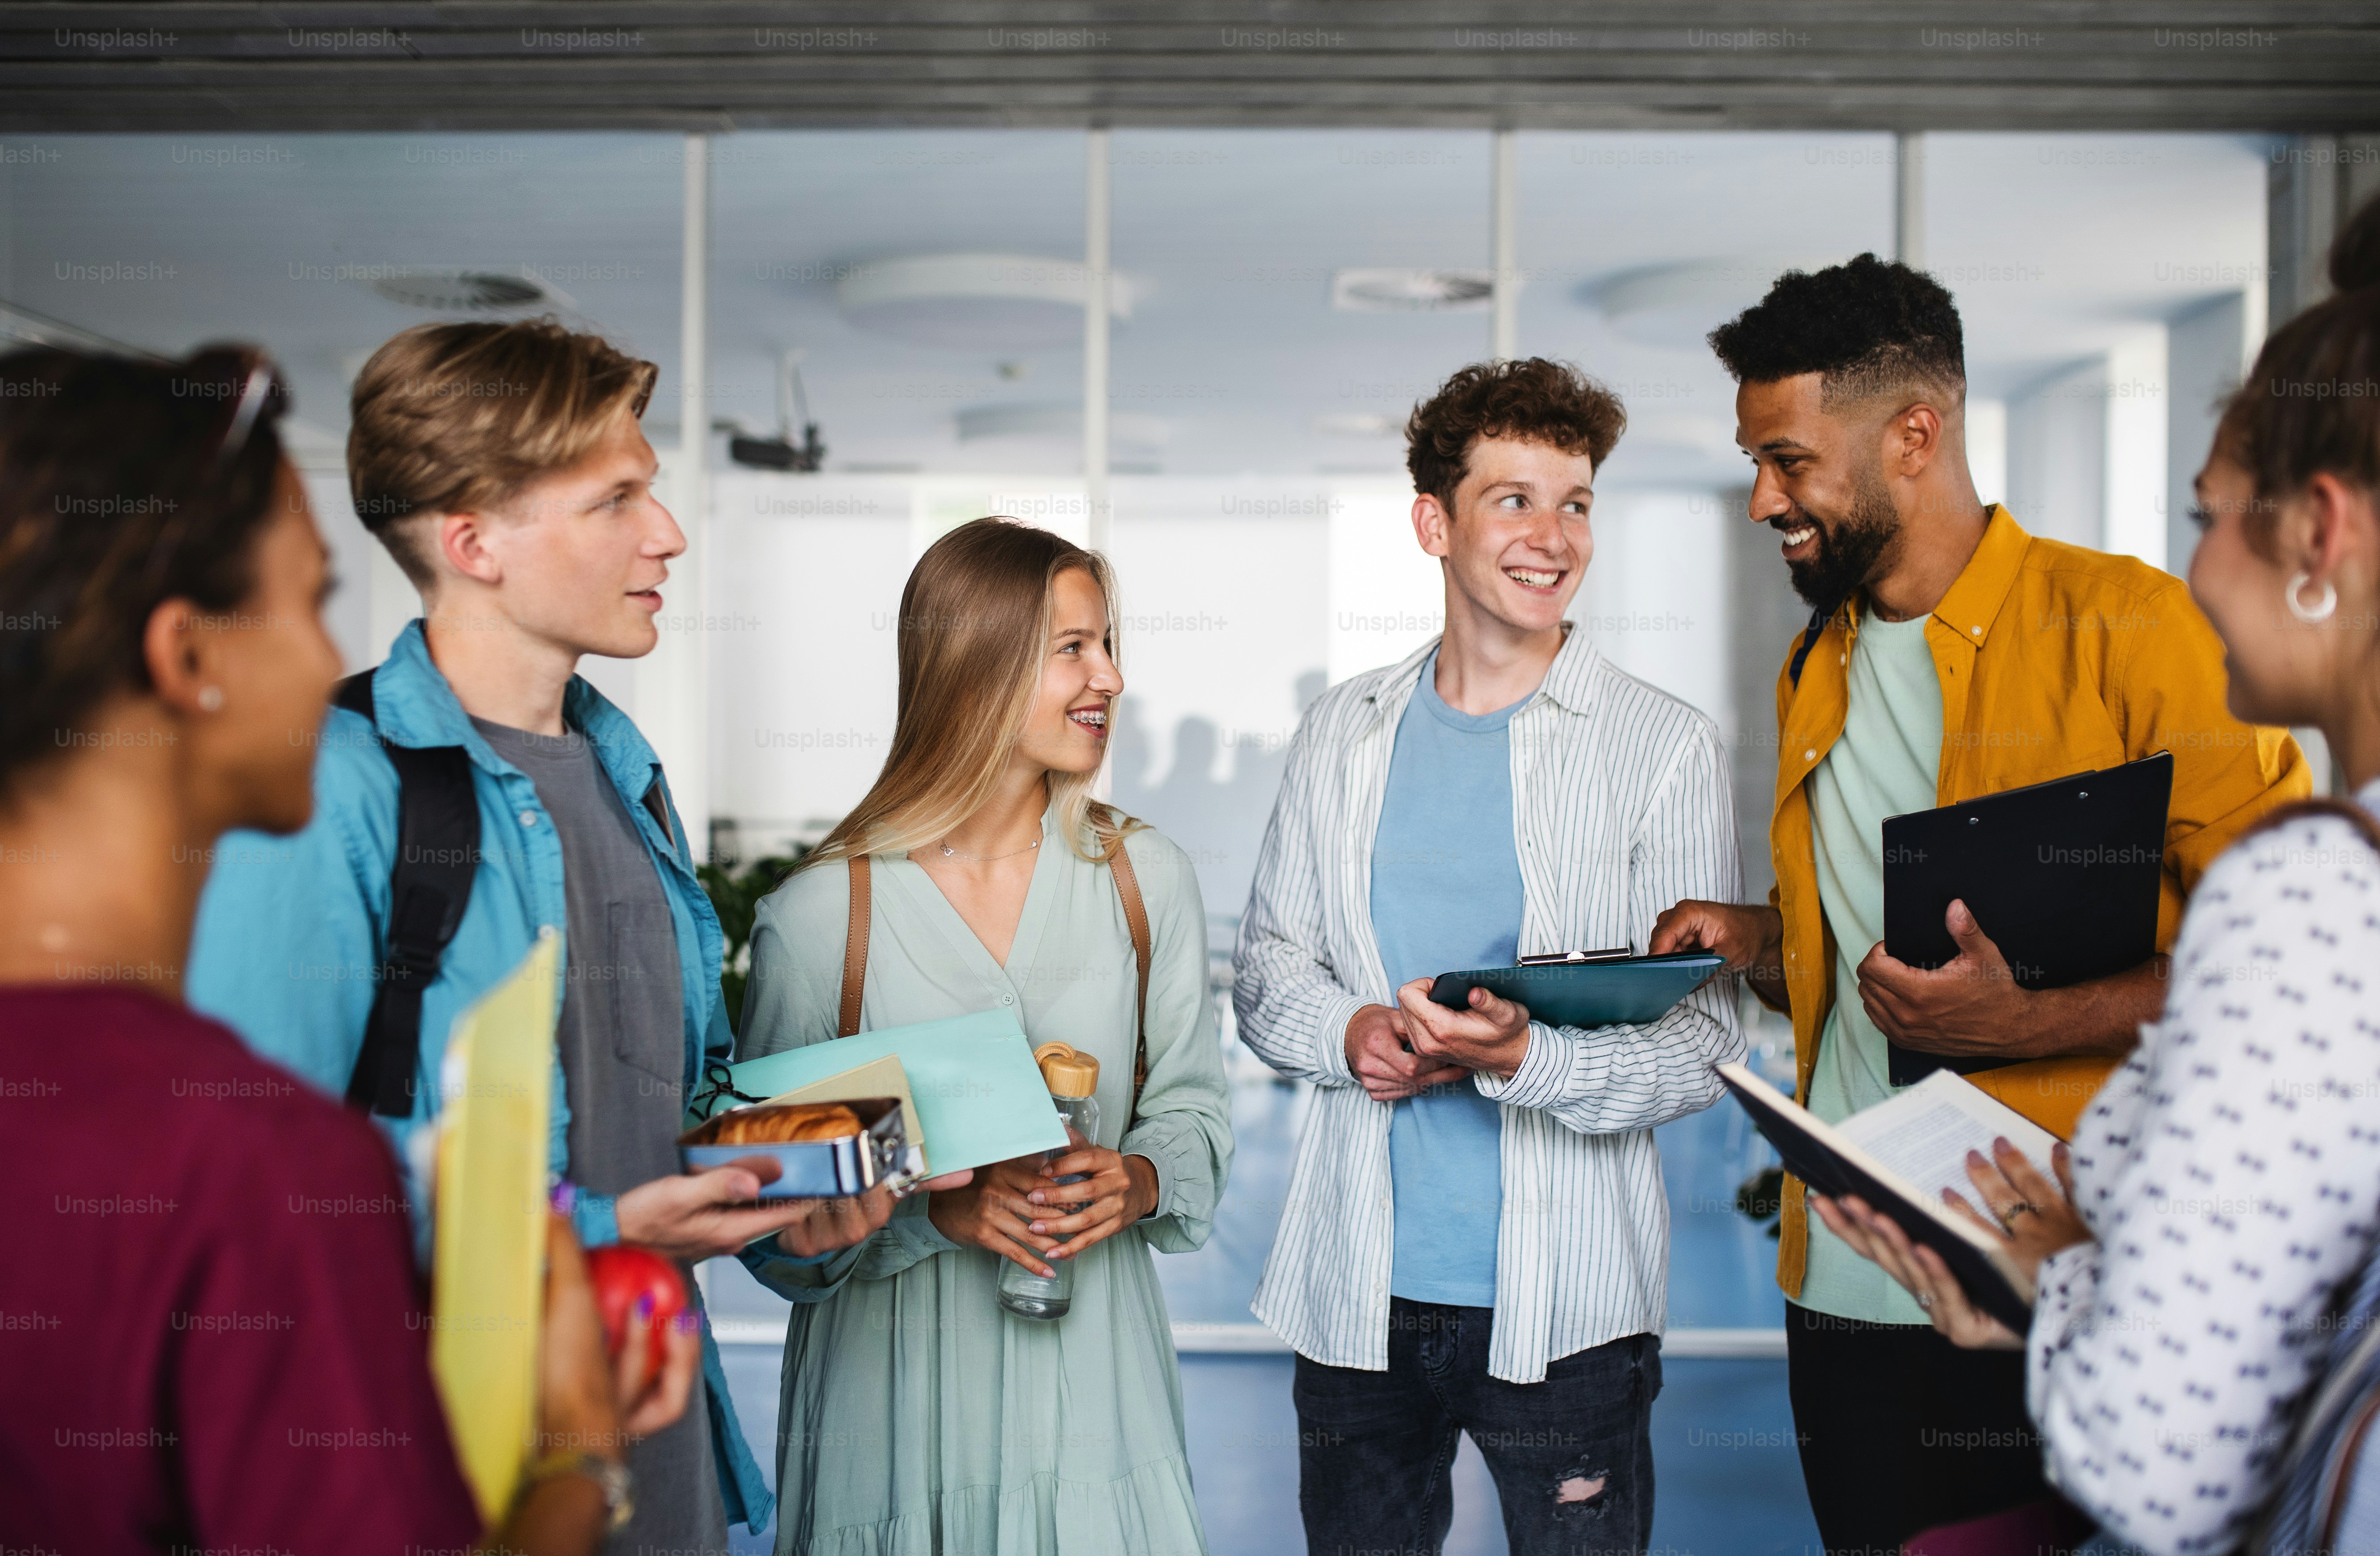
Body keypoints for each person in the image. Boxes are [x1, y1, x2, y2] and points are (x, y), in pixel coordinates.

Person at [182, 319, 931, 1552]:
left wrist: (801, 1207)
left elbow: (670, 1120)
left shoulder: (628, 777)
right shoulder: (329, 792)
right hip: (439, 1478)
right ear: (473, 542)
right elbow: (258, 1208)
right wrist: (608, 1230)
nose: (669, 533)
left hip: (656, 1469)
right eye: (617, 499)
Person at [1648, 255, 2311, 1553]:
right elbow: (1874, 951)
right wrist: (1762, 937)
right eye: (1754, 463)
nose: (1761, 499)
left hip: (2044, 1277)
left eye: (1787, 460)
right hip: (1842, 1279)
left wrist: (2032, 1022)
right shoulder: (1816, 660)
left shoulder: (2137, 627)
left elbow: (2291, 966)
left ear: (1914, 434)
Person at [0, 342, 698, 1555]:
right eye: (308, 605)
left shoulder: (632, 781)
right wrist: (583, 1466)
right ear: (188, 658)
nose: (335, 665)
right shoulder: (246, 1158)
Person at [1818, 194, 2380, 1556]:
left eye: (2213, 518)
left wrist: (2044, 1280)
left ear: (2320, 534)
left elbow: (2157, 1462)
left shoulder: (2317, 893)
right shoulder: (1822, 654)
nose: (2194, 571)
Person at [1234, 358, 1744, 1556]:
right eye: (1513, 498)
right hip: (1357, 1300)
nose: (1552, 536)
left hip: (1572, 1317)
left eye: (1576, 503)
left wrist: (1526, 1061)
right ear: (1435, 523)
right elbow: (1267, 967)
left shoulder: (1662, 746)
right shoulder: (1341, 733)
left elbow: (1704, 1040)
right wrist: (1353, 1033)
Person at [736, 517, 1232, 1556]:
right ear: (976, 667)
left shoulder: (1145, 881)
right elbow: (774, 1216)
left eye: (1105, 643)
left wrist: (1137, 1179)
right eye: (1073, 648)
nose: (1112, 675)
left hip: (1100, 1398)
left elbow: (1191, 1107)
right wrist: (942, 1216)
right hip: (892, 1411)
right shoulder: (826, 916)